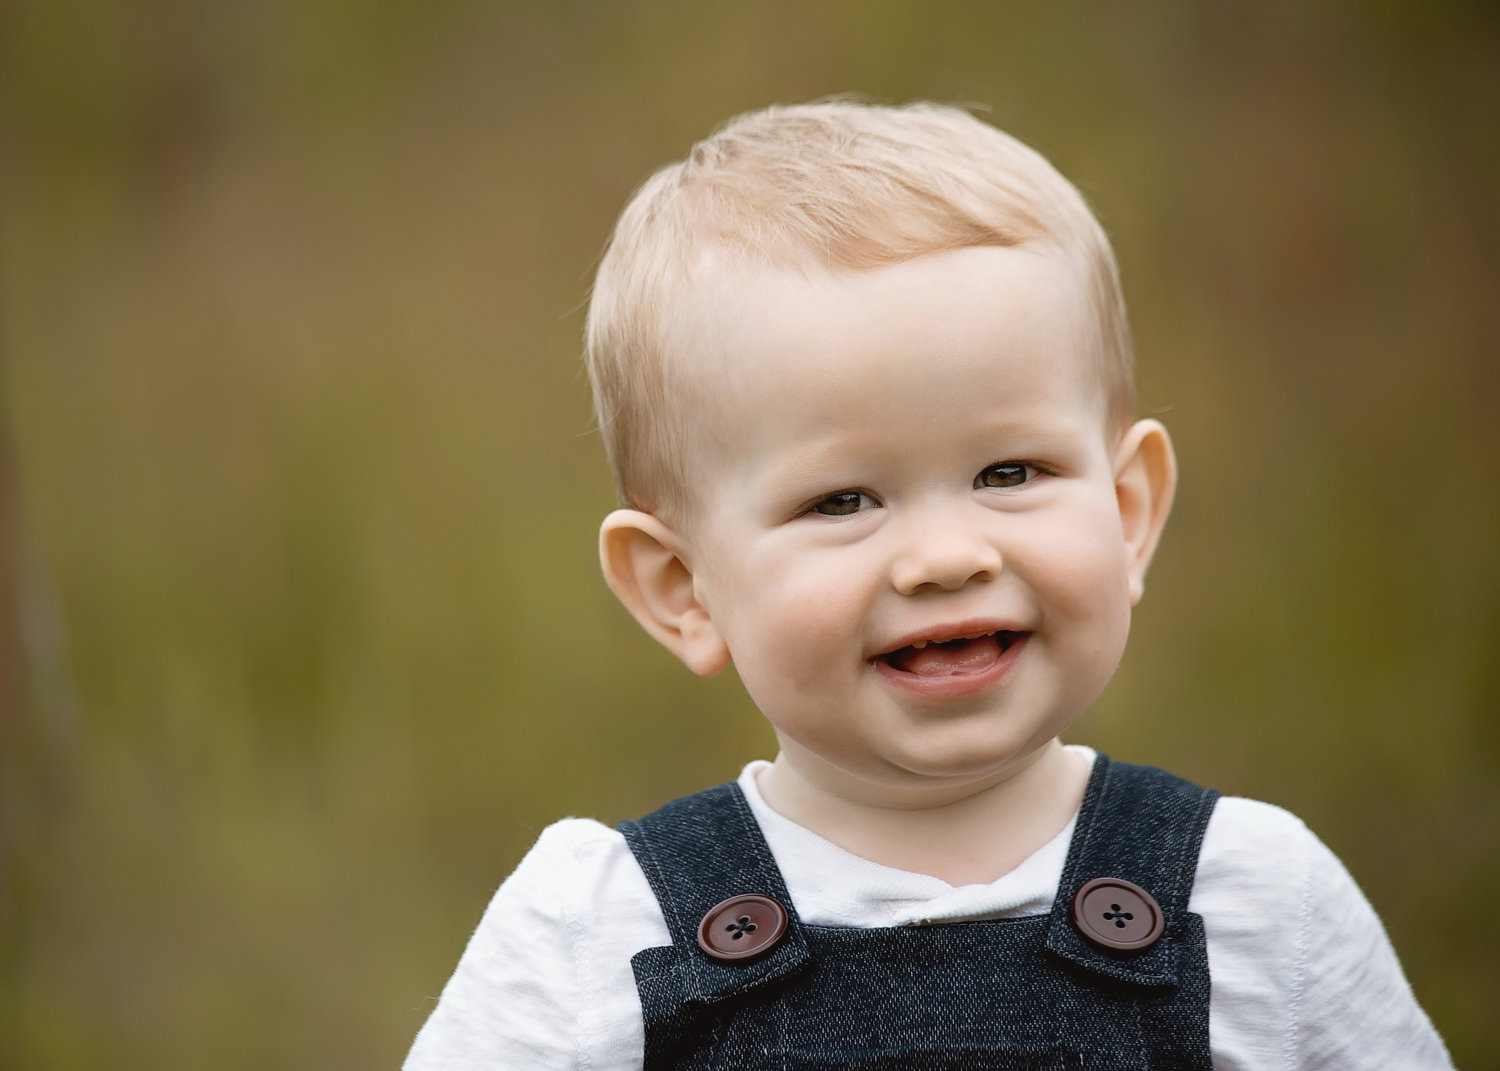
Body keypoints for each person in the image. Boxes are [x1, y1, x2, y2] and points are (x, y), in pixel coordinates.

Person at [404, 100, 1451, 1069]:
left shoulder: (1257, 898)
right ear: (683, 586)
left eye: (1010, 473)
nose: (947, 557)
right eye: (843, 501)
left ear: (1127, 514)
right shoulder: (600, 931)